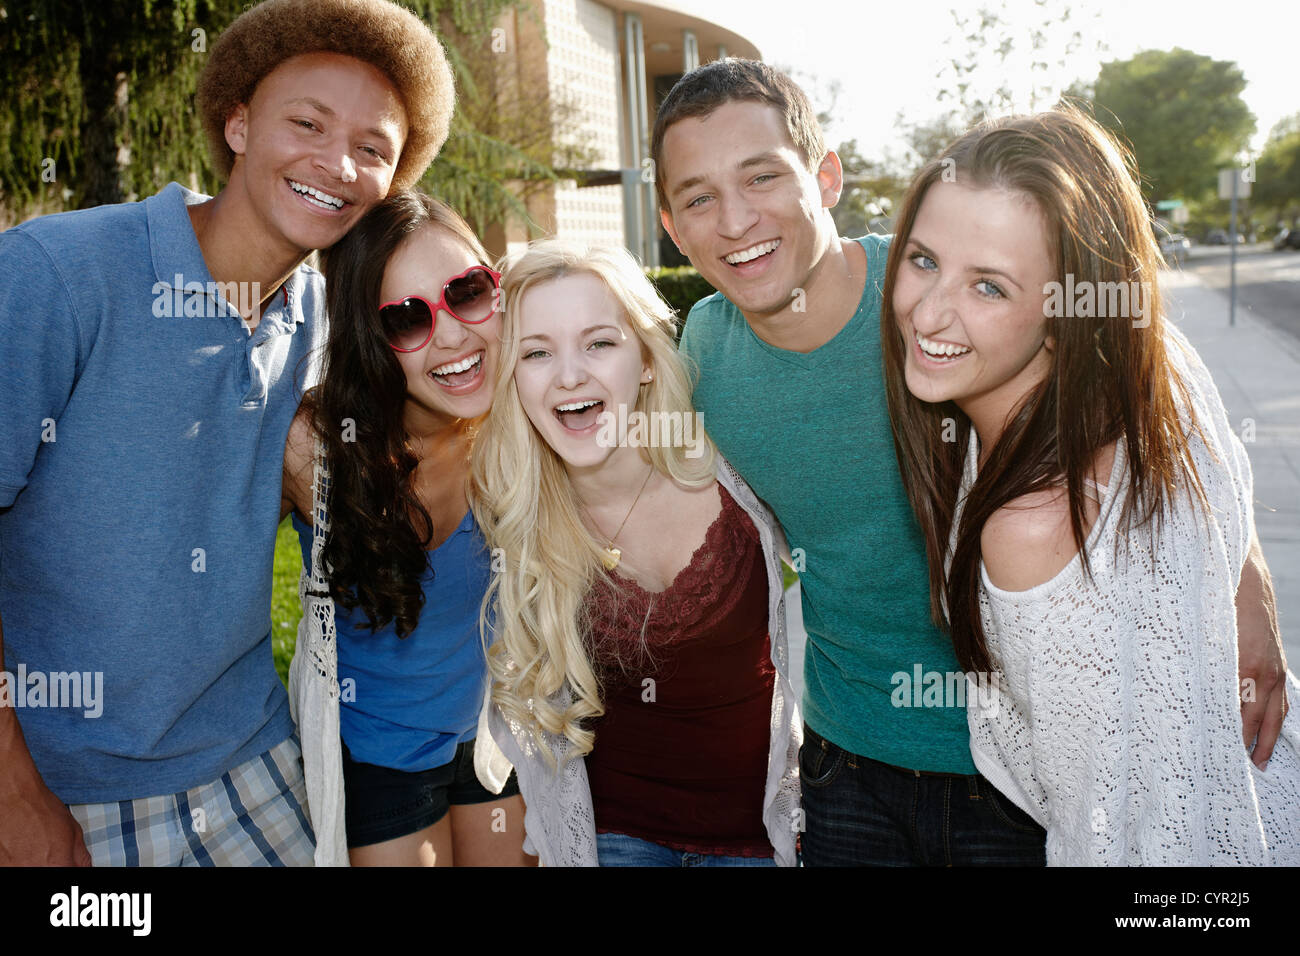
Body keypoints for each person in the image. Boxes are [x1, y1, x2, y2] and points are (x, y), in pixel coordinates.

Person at [652, 58, 1290, 865]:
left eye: (762, 177)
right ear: (671, 227)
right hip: (849, 759)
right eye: (699, 198)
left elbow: (1168, 404)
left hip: (1024, 777)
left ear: (826, 176)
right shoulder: (705, 351)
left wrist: (1247, 593)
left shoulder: (939, 276)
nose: (736, 220)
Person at [0, 0, 453, 866]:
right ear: (238, 123)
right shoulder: (57, 275)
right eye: (307, 123)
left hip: (260, 768)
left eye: (372, 147)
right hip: (68, 793)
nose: (337, 163)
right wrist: (12, 792)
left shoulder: (325, 323)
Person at [881, 105, 1300, 865]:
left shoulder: (1034, 523)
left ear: (1065, 313)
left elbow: (1122, 835)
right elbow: (1227, 492)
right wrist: (1249, 595)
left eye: (990, 288)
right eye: (921, 260)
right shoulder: (1154, 370)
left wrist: (1250, 602)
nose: (929, 312)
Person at [470, 240, 802, 867]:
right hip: (614, 837)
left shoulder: (735, 470)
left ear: (646, 360)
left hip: (764, 832)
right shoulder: (513, 507)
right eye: (537, 353)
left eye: (600, 343)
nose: (570, 375)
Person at [281, 190, 531, 867]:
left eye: (467, 291)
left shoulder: (522, 420)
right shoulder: (317, 447)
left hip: (493, 737)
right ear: (368, 334)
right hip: (374, 755)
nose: (451, 334)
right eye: (406, 318)